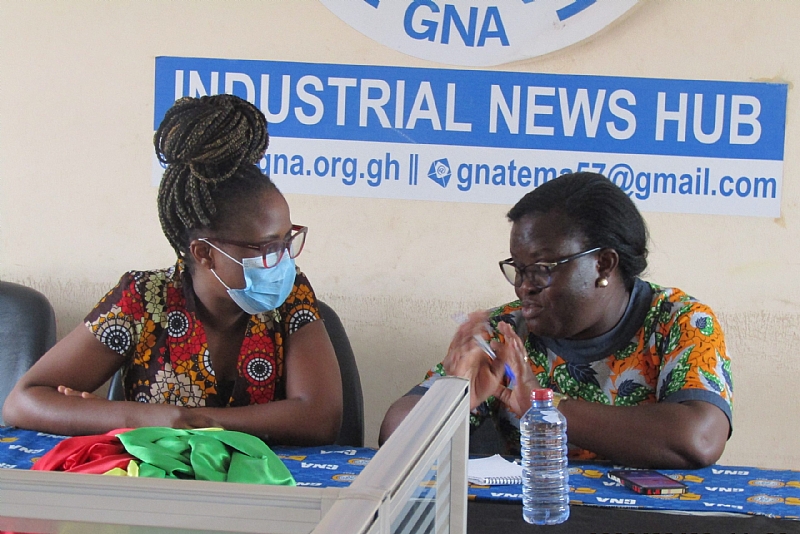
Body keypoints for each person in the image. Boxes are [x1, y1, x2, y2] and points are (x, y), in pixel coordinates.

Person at [3, 94, 343, 445]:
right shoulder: (144, 299)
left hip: (264, 488)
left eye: (288, 241)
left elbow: (319, 416)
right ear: (204, 253)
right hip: (154, 491)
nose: (284, 259)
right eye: (267, 247)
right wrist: (145, 417)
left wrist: (193, 422)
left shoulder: (290, 295)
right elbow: (23, 401)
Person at [380, 172, 732, 469]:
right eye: (517, 269)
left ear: (604, 265)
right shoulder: (504, 332)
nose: (523, 287)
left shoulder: (678, 321)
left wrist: (541, 403)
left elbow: (697, 439)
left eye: (541, 269)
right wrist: (453, 394)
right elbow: (395, 435)